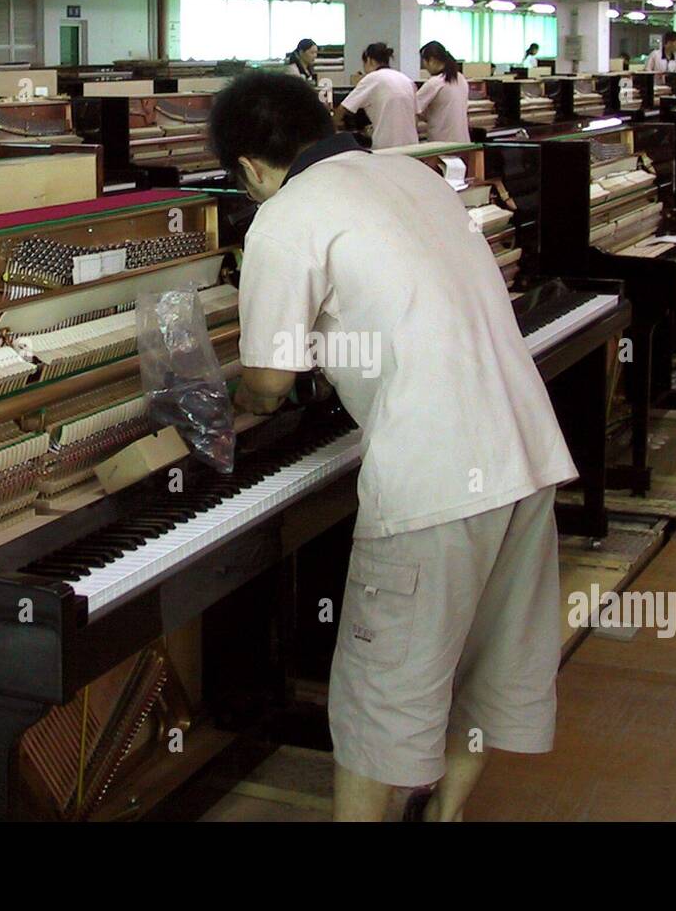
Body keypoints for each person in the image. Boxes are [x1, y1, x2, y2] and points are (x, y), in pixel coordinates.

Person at [209, 72, 576, 823]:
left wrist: (229, 401)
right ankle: (444, 815)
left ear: (248, 167)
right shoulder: (418, 179)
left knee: (380, 699)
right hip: (528, 454)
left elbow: (272, 380)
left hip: (434, 482)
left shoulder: (286, 217)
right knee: (487, 672)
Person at [334, 42, 419, 149]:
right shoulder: (406, 79)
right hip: (412, 146)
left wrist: (331, 129)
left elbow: (343, 108)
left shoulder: (372, 78)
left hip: (387, 147)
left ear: (369, 60)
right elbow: (415, 117)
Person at [416, 40, 471, 144]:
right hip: (463, 141)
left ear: (431, 60)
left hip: (442, 142)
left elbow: (413, 108)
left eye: (424, 62)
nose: (425, 67)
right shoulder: (460, 78)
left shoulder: (435, 82)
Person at [646, 30, 676, 94]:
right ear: (669, 43)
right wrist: (658, 74)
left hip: (670, 89)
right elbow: (647, 72)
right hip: (656, 89)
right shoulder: (655, 54)